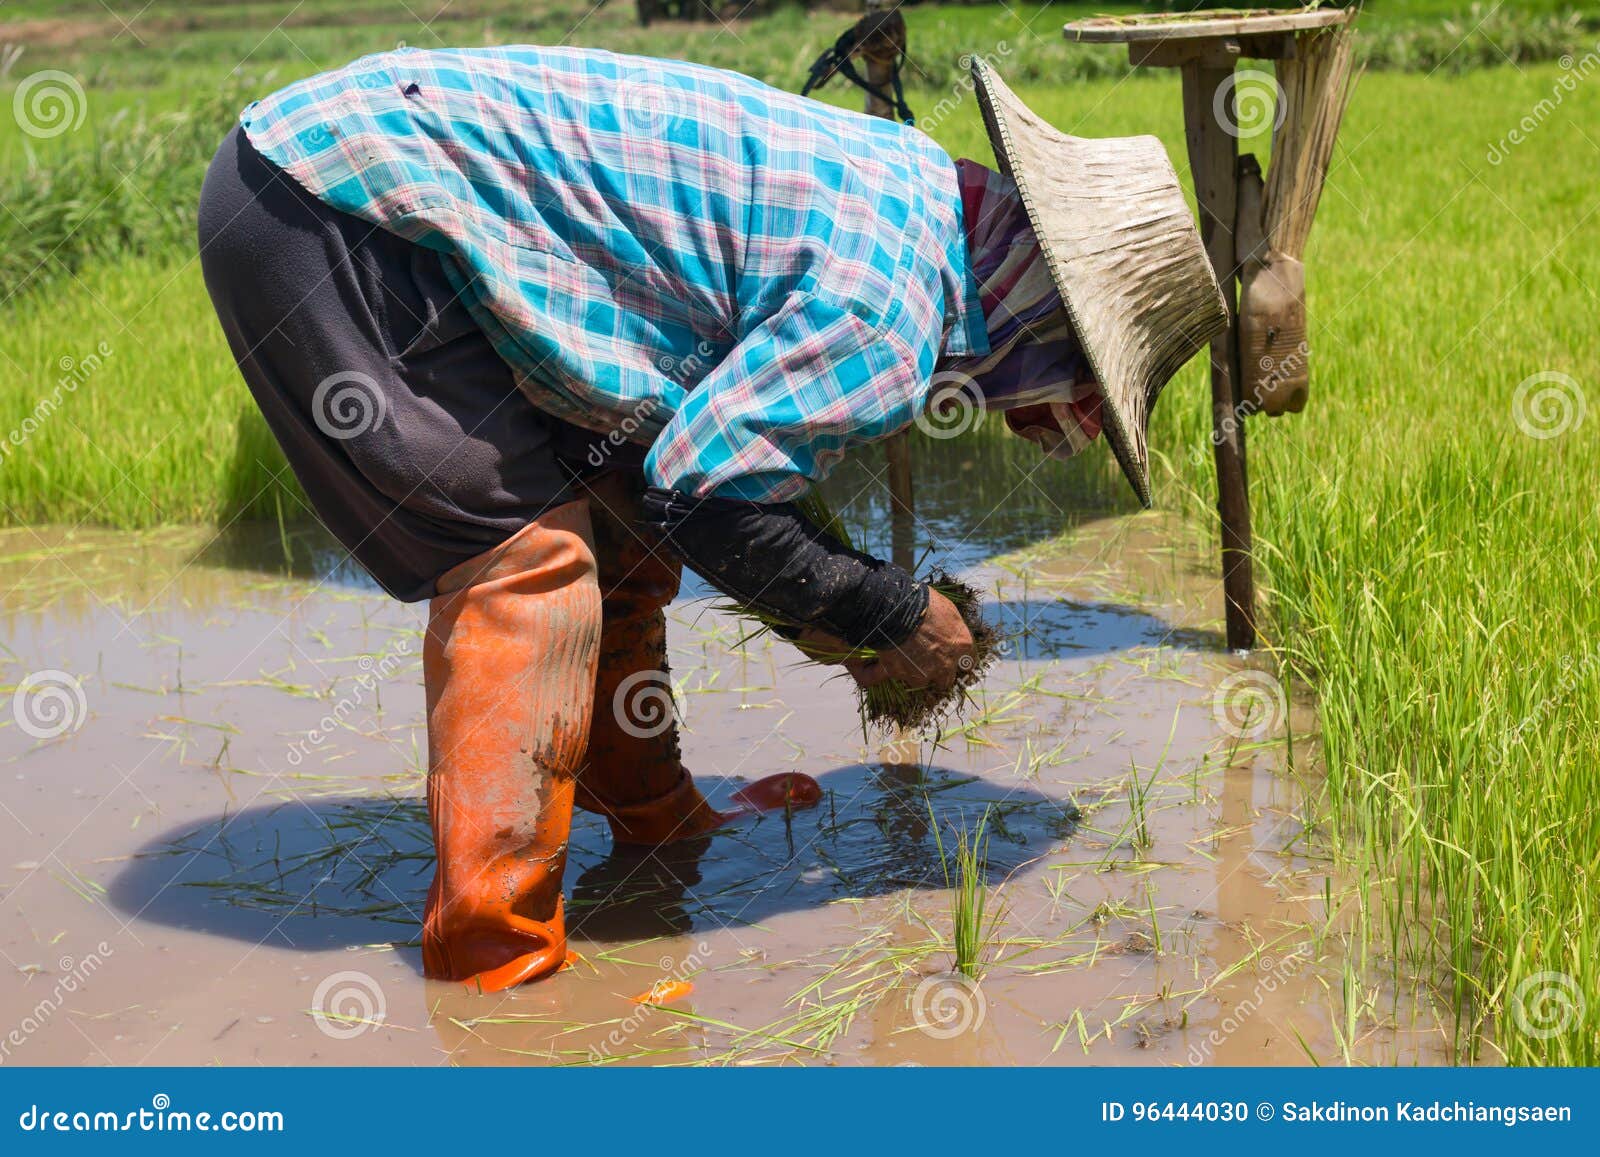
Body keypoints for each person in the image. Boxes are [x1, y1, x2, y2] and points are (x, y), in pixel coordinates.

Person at [198, 45, 1223, 992]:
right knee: (529, 573)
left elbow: (681, 484)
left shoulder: (917, 193)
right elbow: (709, 494)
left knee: (622, 535)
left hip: (334, 170)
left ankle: (650, 817)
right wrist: (890, 614)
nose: (1033, 422)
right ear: (1046, 322)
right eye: (1061, 387)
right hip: (334, 208)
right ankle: (494, 962)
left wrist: (846, 608)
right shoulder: (887, 307)